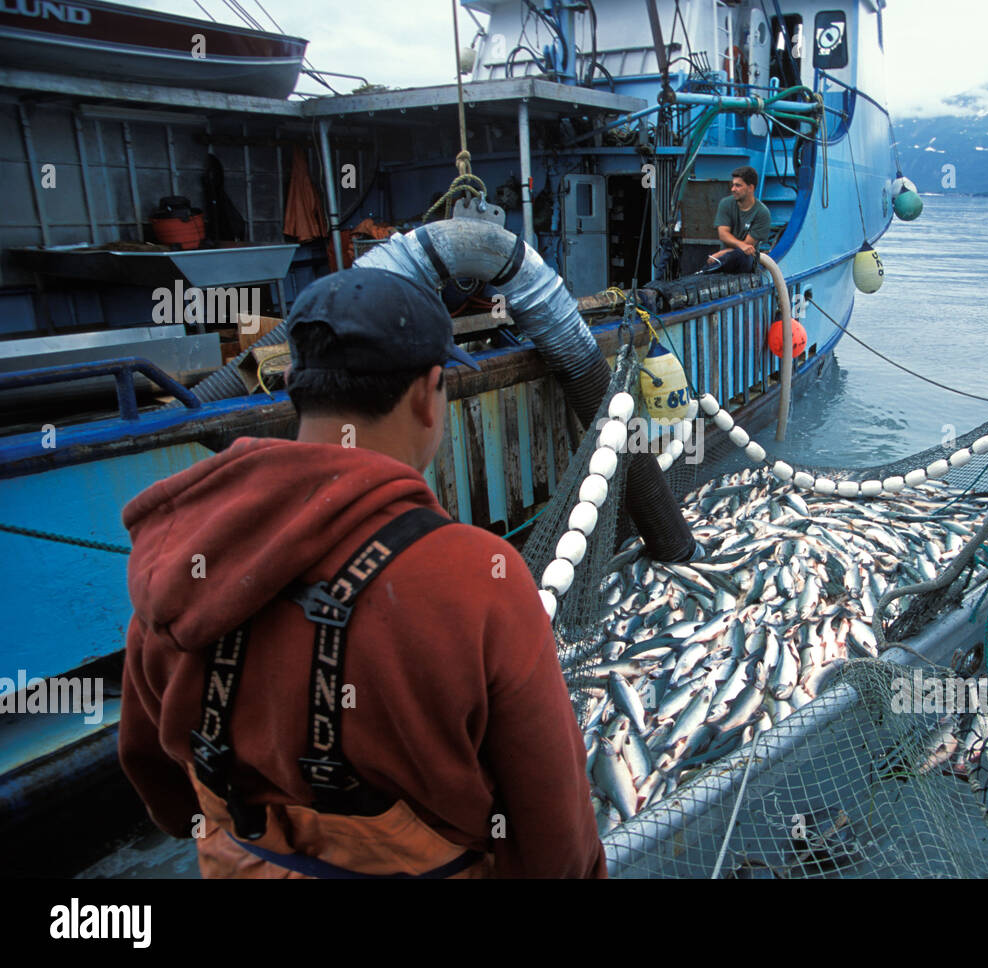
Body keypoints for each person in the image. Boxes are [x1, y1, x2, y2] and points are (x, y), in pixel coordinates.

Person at [118, 267, 607, 879]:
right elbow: (555, 837)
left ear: (294, 383)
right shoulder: (477, 578)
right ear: (429, 394)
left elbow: (155, 775)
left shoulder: (181, 553)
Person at [702, 165, 772, 274]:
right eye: (733, 185)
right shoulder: (726, 204)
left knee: (740, 255)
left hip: (747, 261)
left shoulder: (762, 213)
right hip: (725, 258)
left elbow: (747, 248)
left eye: (738, 186)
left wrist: (719, 255)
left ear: (751, 188)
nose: (733, 189)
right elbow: (723, 234)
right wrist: (739, 246)